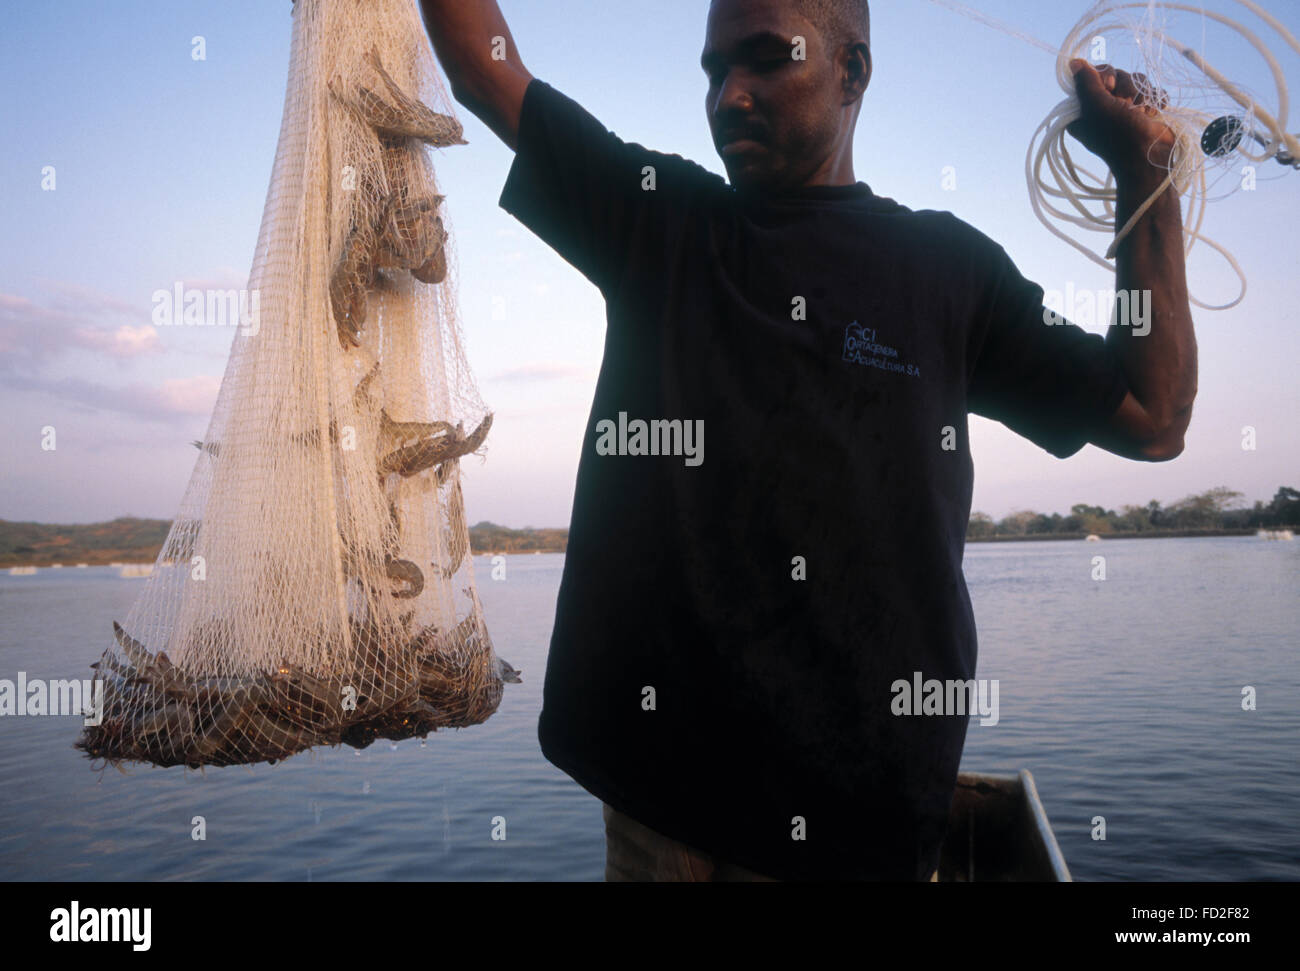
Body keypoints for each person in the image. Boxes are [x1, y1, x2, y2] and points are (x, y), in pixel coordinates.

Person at [418, 0, 1196, 880]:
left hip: (863, 820)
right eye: (714, 71)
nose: (729, 97)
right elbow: (483, 66)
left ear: (852, 72)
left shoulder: (950, 271)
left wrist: (1146, 179)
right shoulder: (661, 221)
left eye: (763, 62)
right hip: (664, 812)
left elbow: (1152, 415)